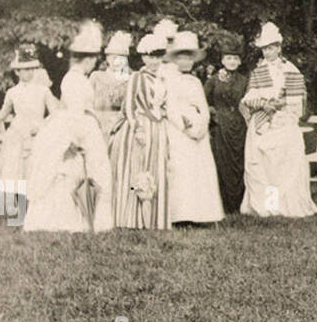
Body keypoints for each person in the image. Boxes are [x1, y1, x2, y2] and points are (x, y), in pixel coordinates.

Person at [24, 21, 114, 233]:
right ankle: (72, 220)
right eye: (92, 59)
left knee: (91, 174)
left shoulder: (77, 78)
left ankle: (87, 219)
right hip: (76, 131)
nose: (94, 63)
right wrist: (75, 142)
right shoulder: (74, 80)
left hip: (82, 127)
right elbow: (74, 114)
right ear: (88, 59)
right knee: (71, 174)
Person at [241, 22, 317, 218]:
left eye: (271, 48)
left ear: (278, 47)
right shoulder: (258, 72)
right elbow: (248, 99)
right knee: (266, 167)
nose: (268, 52)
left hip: (284, 122)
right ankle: (270, 205)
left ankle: (287, 205)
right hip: (265, 122)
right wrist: (264, 104)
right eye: (265, 49)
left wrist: (281, 104)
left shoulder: (291, 69)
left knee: (285, 166)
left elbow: (298, 98)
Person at [111, 33, 171, 228]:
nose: (154, 61)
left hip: (159, 128)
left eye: (158, 56)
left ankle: (153, 219)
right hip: (140, 127)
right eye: (150, 56)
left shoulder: (163, 79)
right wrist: (137, 128)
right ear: (143, 57)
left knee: (156, 168)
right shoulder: (137, 77)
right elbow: (129, 107)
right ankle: (132, 218)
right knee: (137, 169)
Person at [164, 31, 224, 226]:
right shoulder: (168, 80)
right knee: (181, 172)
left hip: (197, 129)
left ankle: (201, 214)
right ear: (175, 59)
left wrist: (201, 126)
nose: (186, 62)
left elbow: (204, 107)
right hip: (178, 130)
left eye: (189, 58)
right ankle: (180, 216)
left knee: (200, 171)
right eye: (181, 57)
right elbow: (168, 107)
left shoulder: (195, 81)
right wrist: (184, 127)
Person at [0, 44, 58, 200]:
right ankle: (19, 206)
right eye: (25, 69)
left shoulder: (43, 90)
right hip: (17, 133)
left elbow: (55, 114)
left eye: (32, 69)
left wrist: (42, 126)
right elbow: (2, 114)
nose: (29, 73)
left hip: (37, 132)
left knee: (35, 169)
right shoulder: (12, 92)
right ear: (17, 72)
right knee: (16, 170)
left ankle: (35, 206)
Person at [205, 39, 248, 216]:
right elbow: (202, 102)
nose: (232, 62)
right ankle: (223, 204)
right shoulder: (213, 80)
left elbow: (247, 102)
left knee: (239, 162)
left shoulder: (244, 80)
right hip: (220, 127)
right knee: (223, 164)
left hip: (239, 127)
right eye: (228, 58)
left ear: (239, 62)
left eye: (235, 59)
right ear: (222, 60)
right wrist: (215, 116)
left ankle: (238, 204)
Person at [90, 31, 131, 138]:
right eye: (114, 58)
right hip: (96, 124)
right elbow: (86, 101)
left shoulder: (129, 81)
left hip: (119, 127)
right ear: (108, 58)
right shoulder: (97, 77)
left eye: (121, 59)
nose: (117, 62)